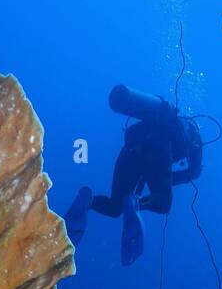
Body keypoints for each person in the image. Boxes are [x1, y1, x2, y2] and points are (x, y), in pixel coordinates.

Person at [64, 86, 204, 266]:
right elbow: (193, 173)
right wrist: (170, 180)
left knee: (115, 207)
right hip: (156, 153)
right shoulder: (195, 141)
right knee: (163, 204)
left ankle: (88, 201)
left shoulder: (160, 122)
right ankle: (135, 204)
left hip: (130, 150)